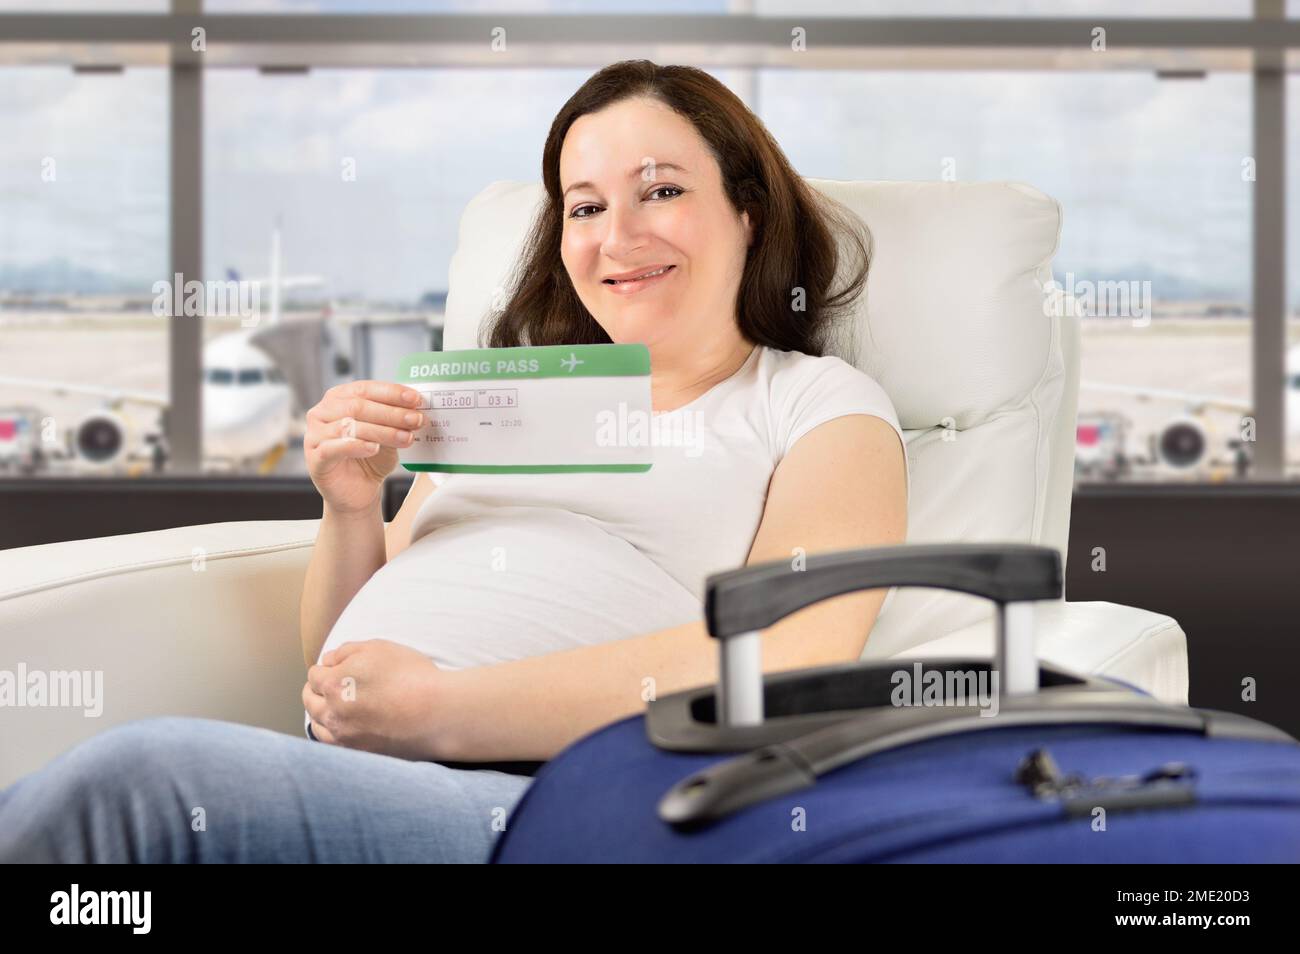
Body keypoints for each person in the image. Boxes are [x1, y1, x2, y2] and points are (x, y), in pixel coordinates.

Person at [0, 60, 907, 864]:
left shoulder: (813, 403)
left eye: (660, 191)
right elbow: (338, 660)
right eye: (584, 206)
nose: (615, 234)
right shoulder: (512, 397)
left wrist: (441, 707)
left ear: (747, 214)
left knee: (144, 785)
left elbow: (788, 661)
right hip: (356, 769)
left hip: (554, 800)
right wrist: (352, 510)